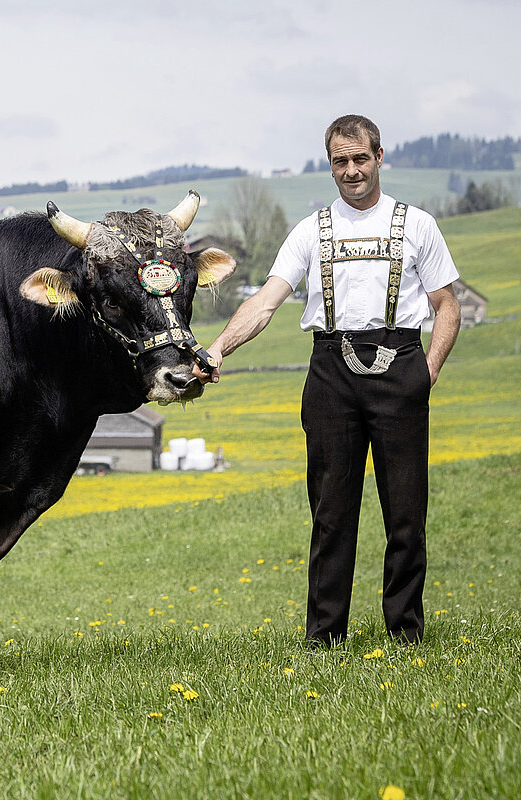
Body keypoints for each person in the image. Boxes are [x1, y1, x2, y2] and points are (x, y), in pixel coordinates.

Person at [194, 114, 460, 646]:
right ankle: (325, 637)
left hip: (401, 361)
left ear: (379, 158)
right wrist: (219, 346)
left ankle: (405, 634)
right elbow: (266, 301)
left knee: (406, 513)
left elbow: (445, 305)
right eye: (341, 161)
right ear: (330, 165)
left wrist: (424, 375)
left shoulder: (418, 224)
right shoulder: (311, 231)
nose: (352, 170)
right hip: (330, 371)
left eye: (361, 158)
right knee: (331, 514)